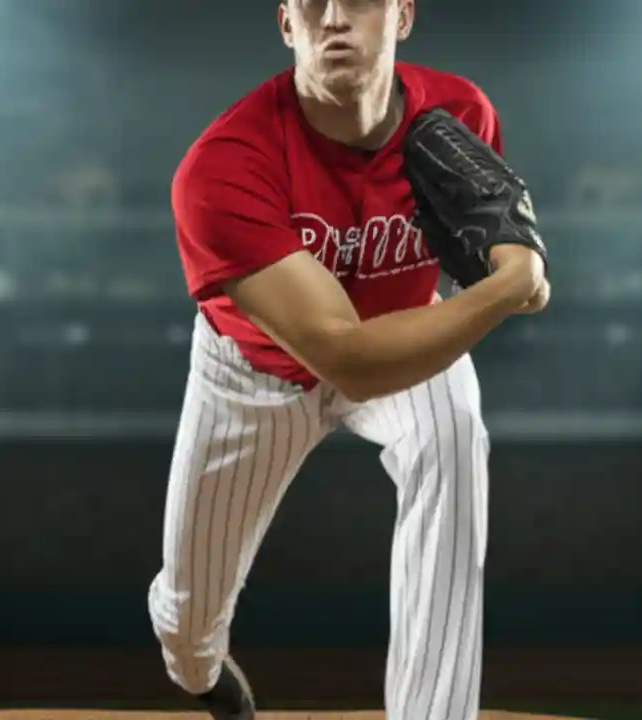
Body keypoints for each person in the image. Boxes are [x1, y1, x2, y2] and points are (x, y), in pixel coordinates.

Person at [147, 1, 550, 718]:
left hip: (404, 327)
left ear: (402, 15)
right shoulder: (221, 168)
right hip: (254, 372)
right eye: (312, 2)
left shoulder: (460, 115)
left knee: (453, 438)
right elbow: (349, 359)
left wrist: (502, 264)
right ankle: (200, 667)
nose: (334, 17)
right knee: (187, 618)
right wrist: (510, 285)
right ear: (286, 23)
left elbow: (473, 259)